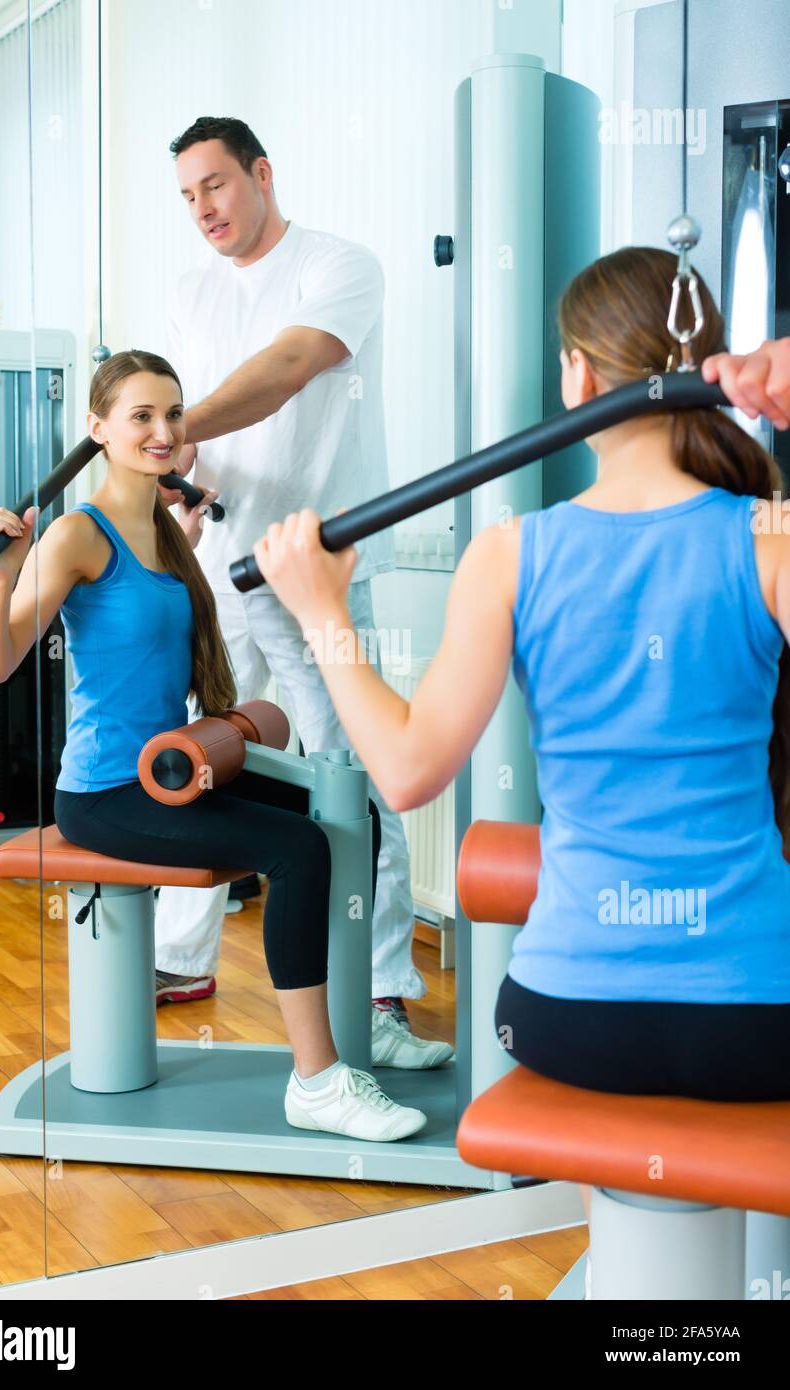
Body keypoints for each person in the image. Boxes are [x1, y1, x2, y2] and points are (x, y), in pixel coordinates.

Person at [249, 249, 790, 1255]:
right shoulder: (767, 536)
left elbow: (406, 772)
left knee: (630, 1167)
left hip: (563, 1014)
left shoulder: (510, 552)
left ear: (575, 376)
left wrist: (323, 613)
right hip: (760, 1012)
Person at [0, 349, 428, 1144]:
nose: (162, 431)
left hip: (174, 771)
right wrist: (5, 577)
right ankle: (317, 1081)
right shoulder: (81, 534)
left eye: (172, 414)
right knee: (297, 848)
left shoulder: (163, 532)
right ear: (98, 429)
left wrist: (181, 530)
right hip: (109, 794)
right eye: (140, 416)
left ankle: (365, 1023)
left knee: (349, 811)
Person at [153, 115, 452, 1069]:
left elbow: (286, 370)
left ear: (262, 175)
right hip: (217, 561)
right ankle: (180, 953)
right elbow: (199, 434)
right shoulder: (190, 294)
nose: (203, 208)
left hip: (312, 564)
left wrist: (175, 427)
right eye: (187, 194)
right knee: (197, 753)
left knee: (347, 771)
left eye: (216, 185)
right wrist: (175, 473)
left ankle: (383, 990)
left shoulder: (339, 265)